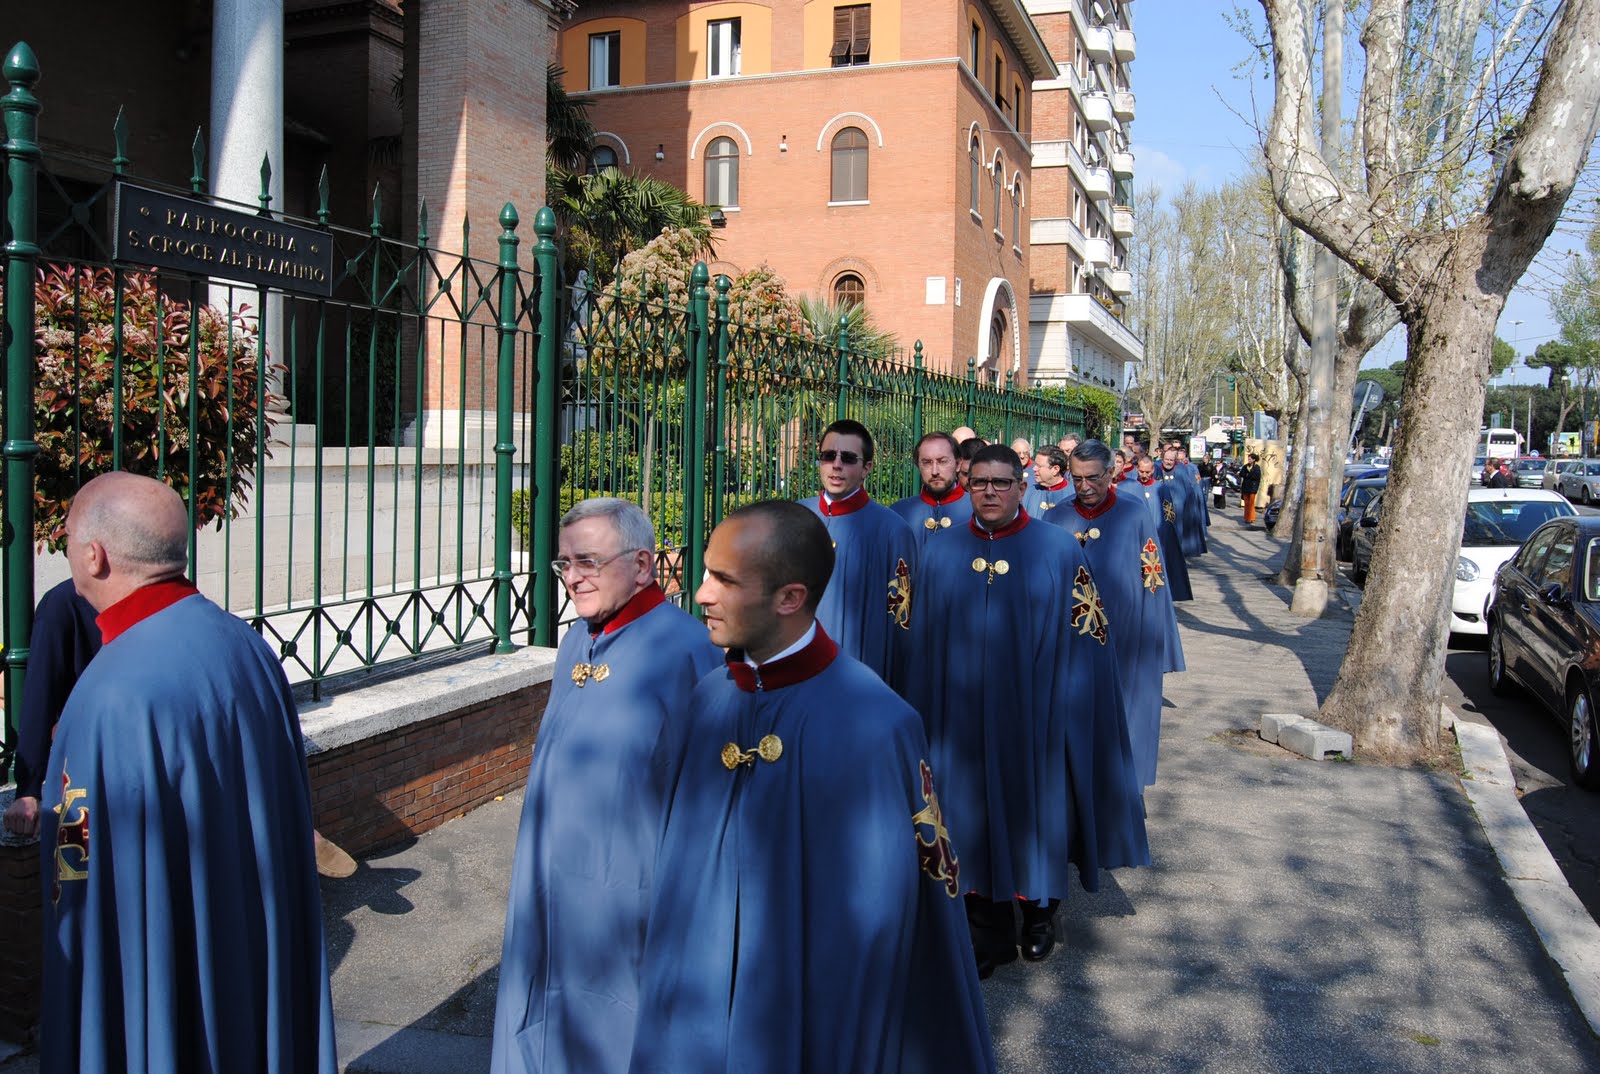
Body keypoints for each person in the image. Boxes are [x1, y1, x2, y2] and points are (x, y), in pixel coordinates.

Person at [629, 501, 996, 1074]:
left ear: (790, 598)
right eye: (705, 572)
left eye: (723, 580)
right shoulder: (708, 698)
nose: (700, 594)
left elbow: (881, 922)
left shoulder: (876, 723)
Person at [39, 472, 336, 1074]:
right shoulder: (244, 646)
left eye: (69, 540)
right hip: (246, 946)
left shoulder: (109, 692)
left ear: (94, 555)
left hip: (161, 967)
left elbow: (76, 862)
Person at [491, 498, 723, 1074]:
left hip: (629, 896)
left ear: (642, 565)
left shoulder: (690, 652)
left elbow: (705, 799)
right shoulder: (577, 639)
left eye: (589, 562)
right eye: (564, 564)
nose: (572, 578)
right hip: (550, 882)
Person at [904, 446, 1147, 978]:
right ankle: (984, 929)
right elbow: (921, 643)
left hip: (1039, 713)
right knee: (969, 817)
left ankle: (1039, 915)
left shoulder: (1058, 549)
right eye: (980, 483)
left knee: (1038, 813)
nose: (989, 492)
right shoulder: (941, 552)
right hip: (961, 718)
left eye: (1001, 482)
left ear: (1022, 488)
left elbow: (1089, 638)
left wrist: (1073, 710)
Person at [1045, 441, 1185, 788]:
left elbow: (1153, 578)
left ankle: (1123, 787)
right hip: (1069, 640)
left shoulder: (1134, 514)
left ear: (1112, 473)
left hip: (1124, 637)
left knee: (1123, 715)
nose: (1084, 487)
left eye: (1093, 478)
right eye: (1077, 479)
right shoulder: (1056, 516)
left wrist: (1155, 639)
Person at [800, 419, 917, 687]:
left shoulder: (893, 530)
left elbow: (900, 619)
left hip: (859, 674)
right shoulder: (794, 518)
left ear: (867, 468)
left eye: (849, 458)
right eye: (828, 456)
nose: (836, 465)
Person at [2, 580, 100, 839]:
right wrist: (28, 788)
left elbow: (40, 695)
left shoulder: (62, 603)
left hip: (85, 771)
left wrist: (29, 789)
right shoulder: (63, 604)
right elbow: (40, 695)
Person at [891, 432, 974, 550]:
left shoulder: (977, 512)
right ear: (918, 466)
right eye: (927, 463)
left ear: (958, 464)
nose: (935, 471)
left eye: (942, 461)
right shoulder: (898, 513)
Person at [1132, 456, 1193, 601]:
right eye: (1141, 471)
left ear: (1153, 470)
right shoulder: (1133, 487)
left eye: (1147, 472)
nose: (1144, 475)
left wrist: (1164, 535)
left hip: (1157, 536)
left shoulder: (1161, 488)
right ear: (1137, 470)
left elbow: (1169, 514)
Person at [1161, 446, 1209, 557]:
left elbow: (1193, 487)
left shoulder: (1184, 470)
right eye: (1166, 459)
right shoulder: (1158, 468)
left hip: (1179, 509)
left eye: (1171, 460)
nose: (1168, 462)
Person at [1023, 445, 1073, 516]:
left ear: (1055, 469)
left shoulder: (1073, 495)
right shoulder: (1028, 493)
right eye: (1035, 465)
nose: (1034, 469)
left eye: (1039, 466)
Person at [1239, 453, 1263, 523]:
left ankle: (1251, 517)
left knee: (1251, 503)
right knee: (1246, 503)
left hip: (1253, 487)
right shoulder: (1245, 466)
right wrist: (1246, 474)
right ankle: (1246, 517)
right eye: (1248, 459)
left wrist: (1248, 475)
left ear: (1254, 459)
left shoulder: (1256, 467)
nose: (1248, 460)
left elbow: (1256, 477)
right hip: (1245, 487)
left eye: (1250, 459)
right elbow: (1241, 474)